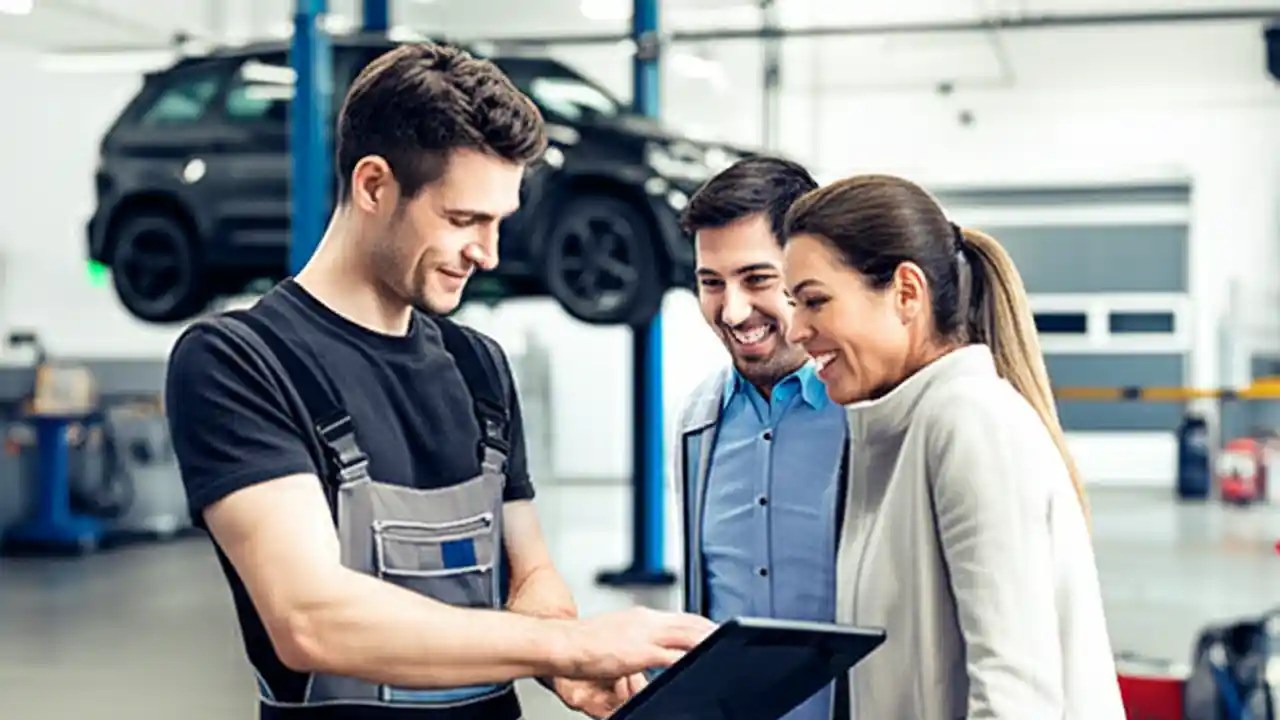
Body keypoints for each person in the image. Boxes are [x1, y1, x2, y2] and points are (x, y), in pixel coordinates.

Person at [164, 43, 714, 720]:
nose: (488, 253)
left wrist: (562, 657)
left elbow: (530, 570)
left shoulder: (479, 365)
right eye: (463, 220)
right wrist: (566, 647)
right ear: (373, 186)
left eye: (498, 223)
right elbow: (310, 619)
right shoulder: (240, 362)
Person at [780, 173, 1126, 719]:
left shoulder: (970, 422)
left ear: (906, 293)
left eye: (814, 301)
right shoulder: (896, 430)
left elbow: (1016, 698)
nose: (796, 329)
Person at [671, 157, 851, 720]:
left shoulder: (869, 416)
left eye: (757, 279)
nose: (733, 309)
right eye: (711, 283)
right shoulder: (698, 423)